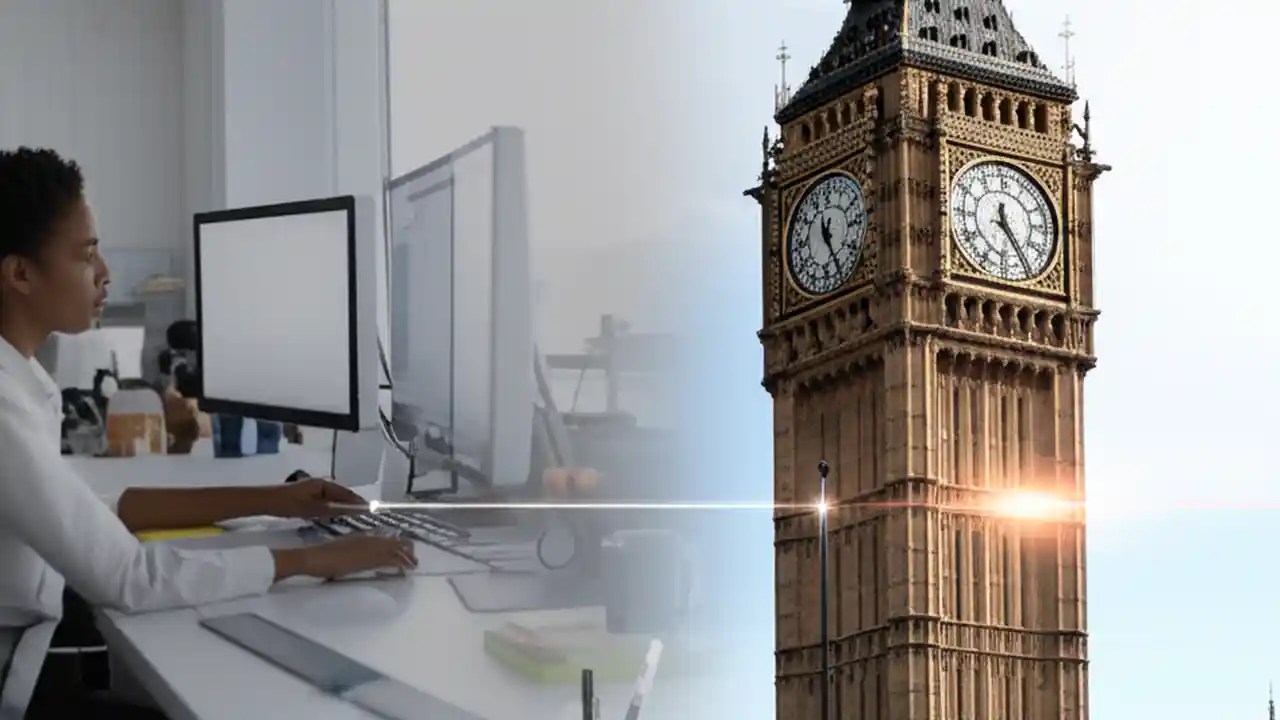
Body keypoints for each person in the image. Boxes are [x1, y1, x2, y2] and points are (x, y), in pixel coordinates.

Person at [0, 147, 418, 718]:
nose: (105, 273)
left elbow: (94, 511)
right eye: (87, 254)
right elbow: (130, 578)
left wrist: (274, 500)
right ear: (20, 273)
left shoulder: (18, 380)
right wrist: (311, 562)